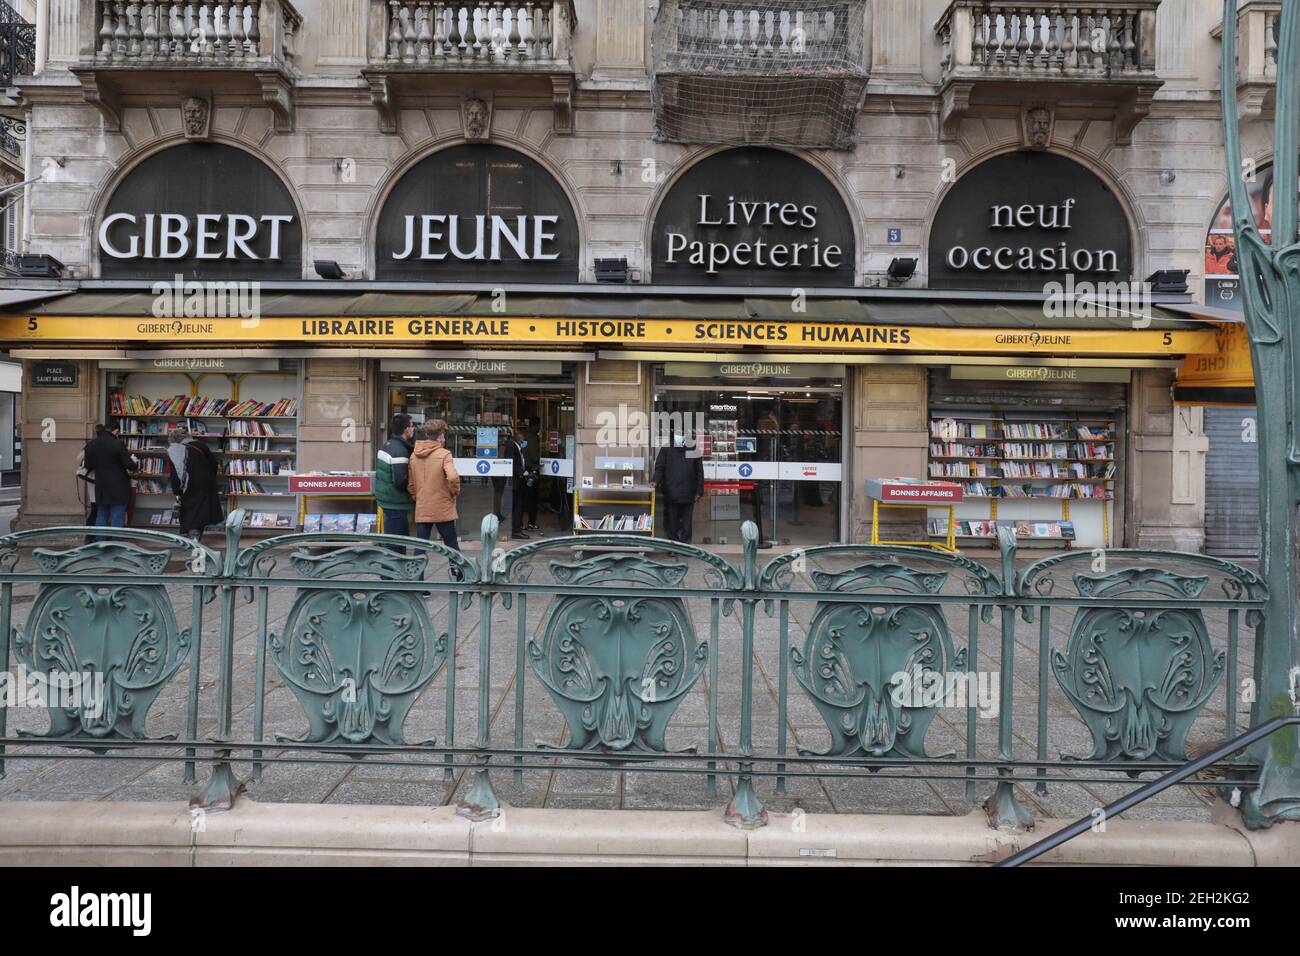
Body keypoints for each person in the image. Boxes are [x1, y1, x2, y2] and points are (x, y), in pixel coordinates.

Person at [408, 419, 462, 552]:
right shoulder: (444, 454)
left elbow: (410, 484)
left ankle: (417, 573)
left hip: (423, 506)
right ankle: (458, 573)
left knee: (420, 548)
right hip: (442, 506)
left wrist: (417, 496)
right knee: (452, 547)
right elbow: (453, 477)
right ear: (440, 436)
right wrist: (453, 492)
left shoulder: (414, 455)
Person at [166, 428, 224, 539]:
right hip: (205, 482)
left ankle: (188, 533)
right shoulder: (200, 445)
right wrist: (210, 477)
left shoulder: (174, 450)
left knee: (188, 507)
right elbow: (213, 463)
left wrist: (176, 490)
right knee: (201, 509)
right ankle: (194, 534)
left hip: (187, 483)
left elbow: (174, 473)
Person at [81, 424, 136, 535]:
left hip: (101, 485)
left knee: (101, 514)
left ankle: (100, 542)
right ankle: (116, 544)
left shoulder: (91, 445)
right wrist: (135, 464)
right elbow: (129, 465)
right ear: (115, 431)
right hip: (119, 486)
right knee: (117, 515)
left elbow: (87, 465)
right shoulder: (117, 444)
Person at [652, 431, 705, 543]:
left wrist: (699, 491)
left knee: (687, 523)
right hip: (672, 492)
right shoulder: (666, 449)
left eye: (682, 432)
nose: (680, 435)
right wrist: (655, 481)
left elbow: (700, 471)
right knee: (672, 522)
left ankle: (686, 546)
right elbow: (660, 467)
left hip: (689, 492)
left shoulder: (693, 448)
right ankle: (673, 547)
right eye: (677, 432)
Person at [375, 413, 415, 539]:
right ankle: (395, 559)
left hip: (388, 500)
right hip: (395, 502)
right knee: (397, 541)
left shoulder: (388, 444)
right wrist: (414, 492)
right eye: (412, 425)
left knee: (395, 537)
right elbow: (400, 481)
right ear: (406, 429)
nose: (413, 429)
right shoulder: (399, 451)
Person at [508, 433, 529, 539]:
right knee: (517, 507)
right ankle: (516, 530)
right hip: (515, 483)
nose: (524, 441)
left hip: (519, 482)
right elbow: (512, 464)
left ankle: (517, 528)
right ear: (518, 439)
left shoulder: (519, 448)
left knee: (518, 506)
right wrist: (522, 472)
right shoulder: (513, 447)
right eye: (522, 439)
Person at [522, 418, 541, 531]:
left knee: (525, 497)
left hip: (524, 470)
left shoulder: (524, 436)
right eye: (538, 426)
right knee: (533, 499)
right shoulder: (534, 437)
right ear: (535, 426)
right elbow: (535, 456)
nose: (539, 429)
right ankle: (531, 523)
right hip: (532, 471)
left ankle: (522, 524)